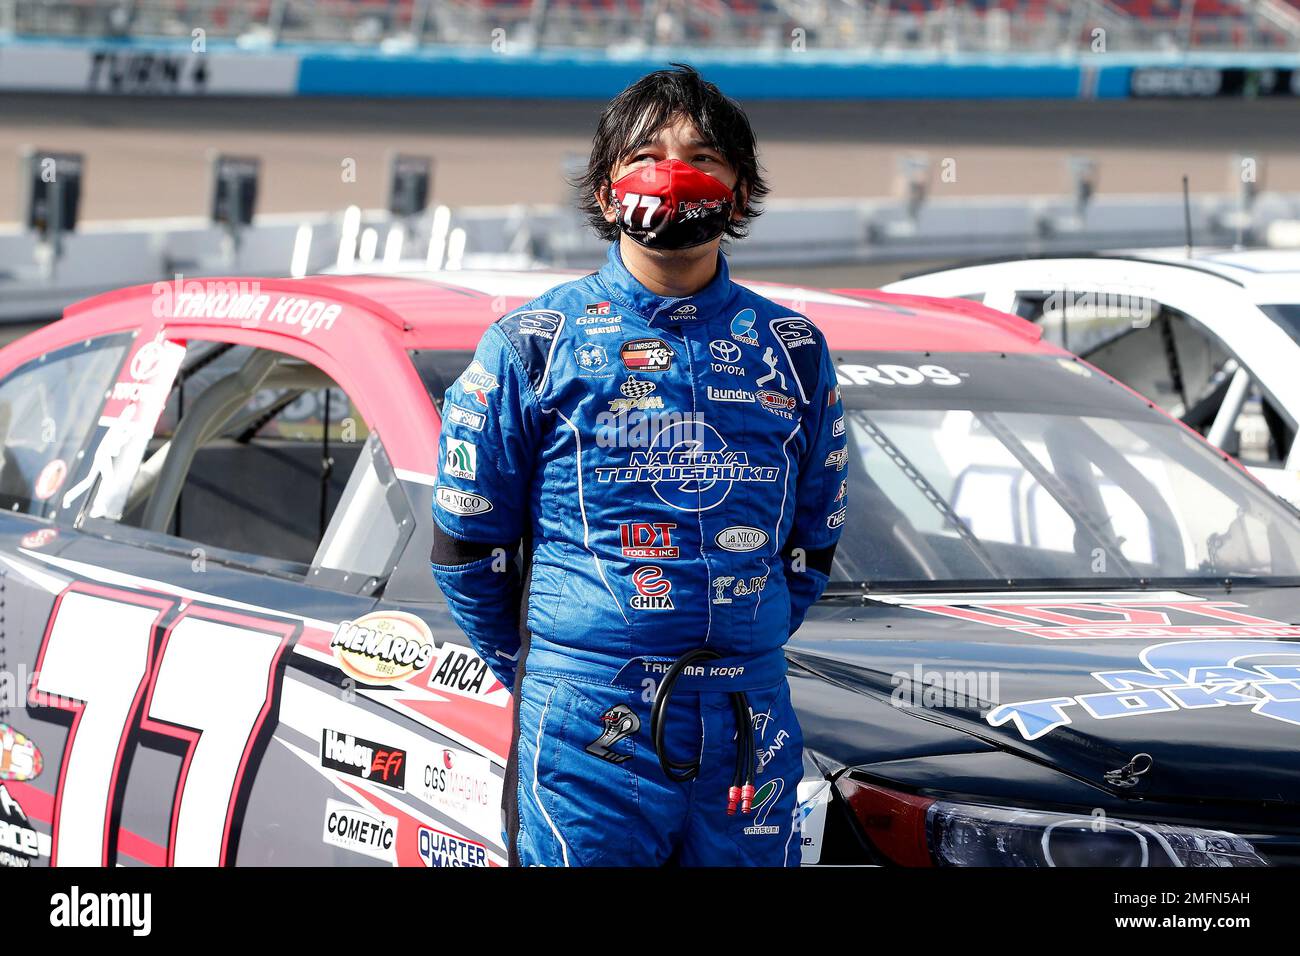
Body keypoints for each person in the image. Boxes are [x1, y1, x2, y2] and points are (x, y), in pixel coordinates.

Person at [430, 64, 846, 867]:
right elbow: (464, 548)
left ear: (742, 187)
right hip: (587, 721)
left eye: (702, 155)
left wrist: (733, 643)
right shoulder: (535, 343)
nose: (673, 169)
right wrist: (562, 662)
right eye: (647, 151)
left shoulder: (792, 351)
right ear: (603, 186)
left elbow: (813, 541)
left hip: (747, 718)